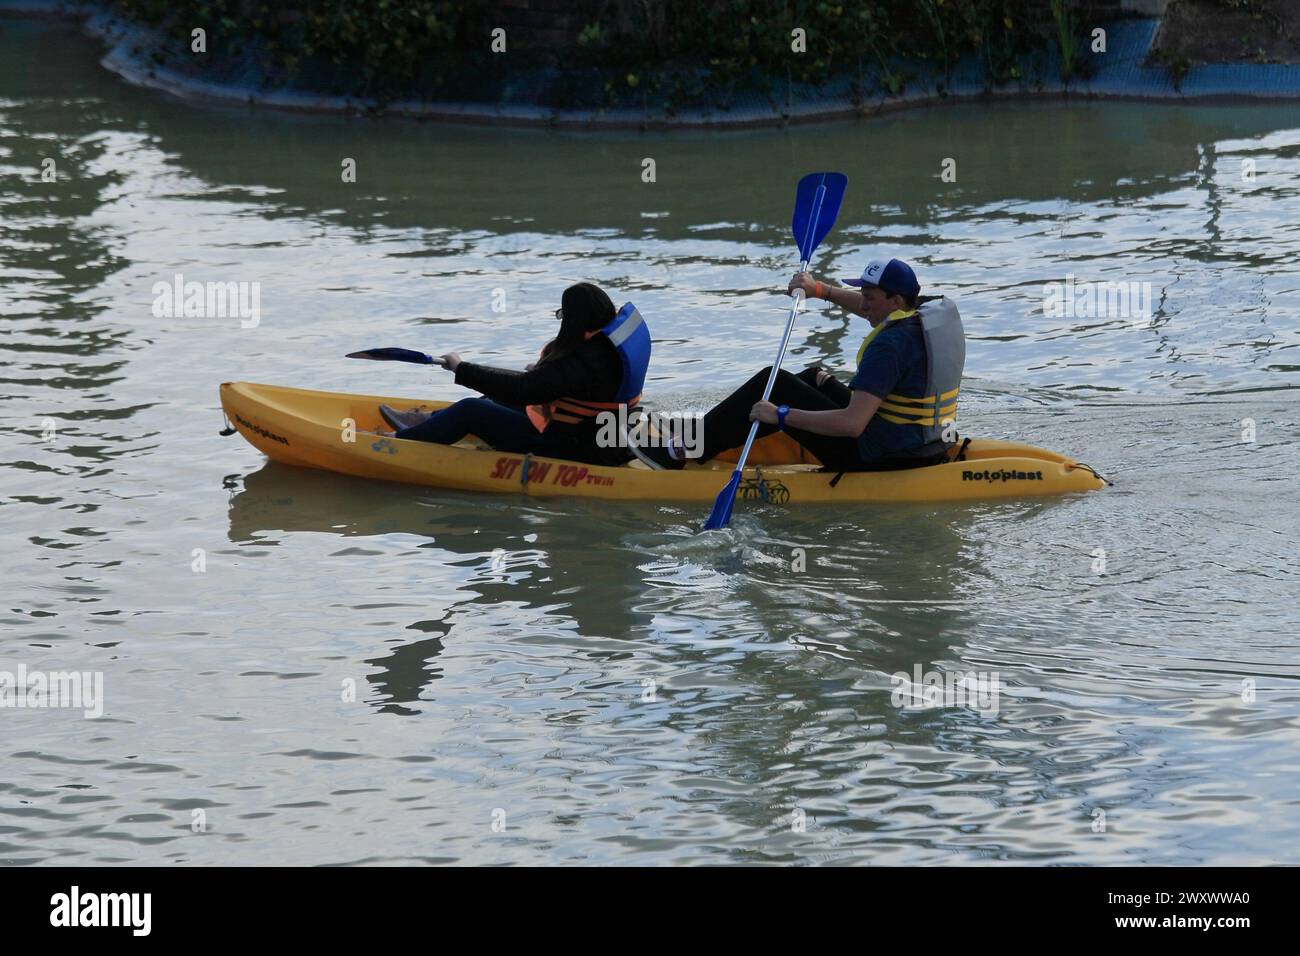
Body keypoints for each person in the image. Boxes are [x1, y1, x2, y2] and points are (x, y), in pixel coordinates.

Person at [632, 258, 964, 472]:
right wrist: (820, 290)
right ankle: (714, 433)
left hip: (879, 456)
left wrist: (781, 415)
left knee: (771, 384)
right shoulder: (924, 312)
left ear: (895, 301)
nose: (863, 306)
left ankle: (676, 452)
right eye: (862, 294)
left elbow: (852, 425)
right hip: (922, 440)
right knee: (811, 377)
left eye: (870, 299)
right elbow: (868, 307)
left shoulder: (890, 346)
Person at [379, 282, 651, 466]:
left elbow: (523, 389)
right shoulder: (605, 344)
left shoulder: (580, 363)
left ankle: (397, 445)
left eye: (562, 315)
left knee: (471, 410)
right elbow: (546, 386)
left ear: (575, 320)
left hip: (570, 447)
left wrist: (460, 368)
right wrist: (542, 375)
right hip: (595, 434)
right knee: (494, 399)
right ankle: (426, 422)